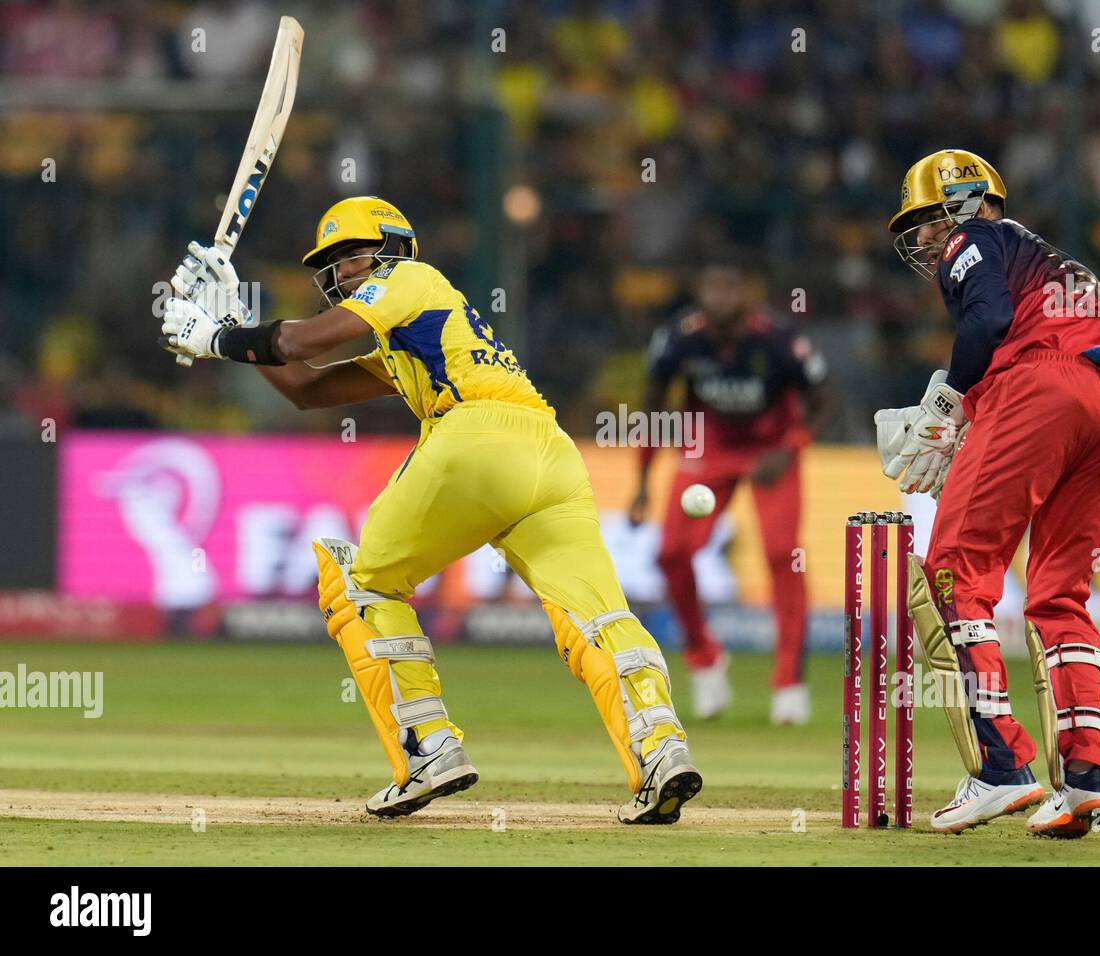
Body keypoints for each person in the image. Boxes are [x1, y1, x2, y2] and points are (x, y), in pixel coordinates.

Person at [160, 196, 701, 824]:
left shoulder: (407, 279)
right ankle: (661, 750)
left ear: (393, 249)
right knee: (598, 616)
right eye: (332, 263)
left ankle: (429, 750)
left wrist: (219, 336)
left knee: (363, 583)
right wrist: (234, 323)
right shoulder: (414, 331)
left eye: (354, 255)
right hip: (550, 458)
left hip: (476, 440)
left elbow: (301, 339)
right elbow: (307, 387)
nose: (343, 273)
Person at [878, 150, 1100, 837]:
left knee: (950, 576)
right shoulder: (1057, 260)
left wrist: (950, 403)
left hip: (1041, 391)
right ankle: (1087, 779)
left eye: (930, 219)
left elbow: (988, 322)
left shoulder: (979, 237)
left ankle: (1000, 768)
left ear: (969, 202)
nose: (924, 239)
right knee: (1059, 594)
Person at [629, 255, 830, 724]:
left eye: (729, 288)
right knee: (672, 553)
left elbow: (822, 399)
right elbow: (652, 405)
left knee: (783, 553)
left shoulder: (778, 339)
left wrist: (791, 447)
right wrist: (641, 483)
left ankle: (788, 681)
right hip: (708, 446)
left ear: (745, 295)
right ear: (701, 294)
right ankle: (705, 657)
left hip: (771, 449)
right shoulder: (680, 339)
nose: (720, 298)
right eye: (712, 288)